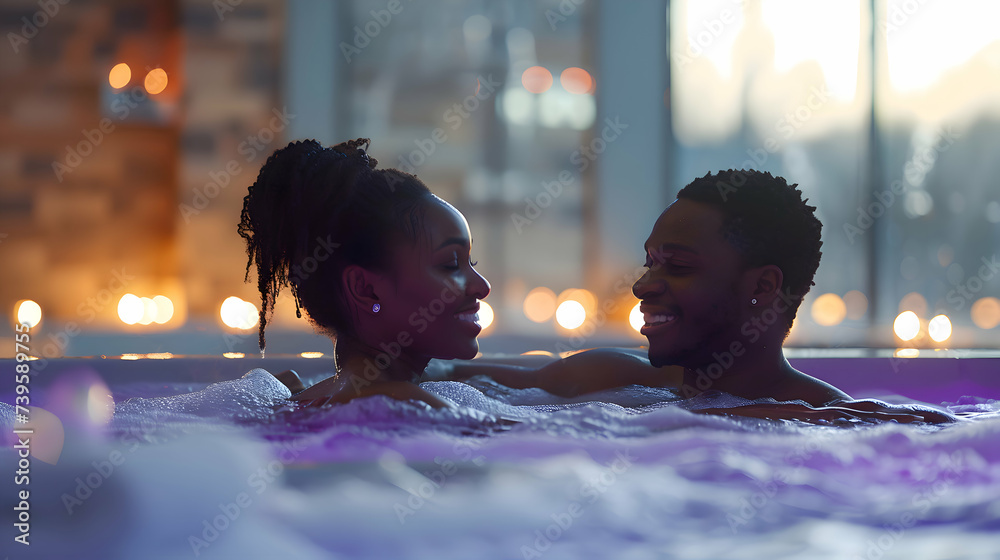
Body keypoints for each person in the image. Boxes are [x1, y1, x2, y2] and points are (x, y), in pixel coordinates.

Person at [443, 169, 954, 424]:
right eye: (650, 261)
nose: (642, 285)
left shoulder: (833, 423)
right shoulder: (608, 378)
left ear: (762, 287)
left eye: (679, 267)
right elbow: (443, 378)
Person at [238, 138, 491, 408]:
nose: (482, 286)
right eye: (451, 264)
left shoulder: (336, 396)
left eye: (471, 262)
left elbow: (452, 372)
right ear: (365, 289)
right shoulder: (396, 402)